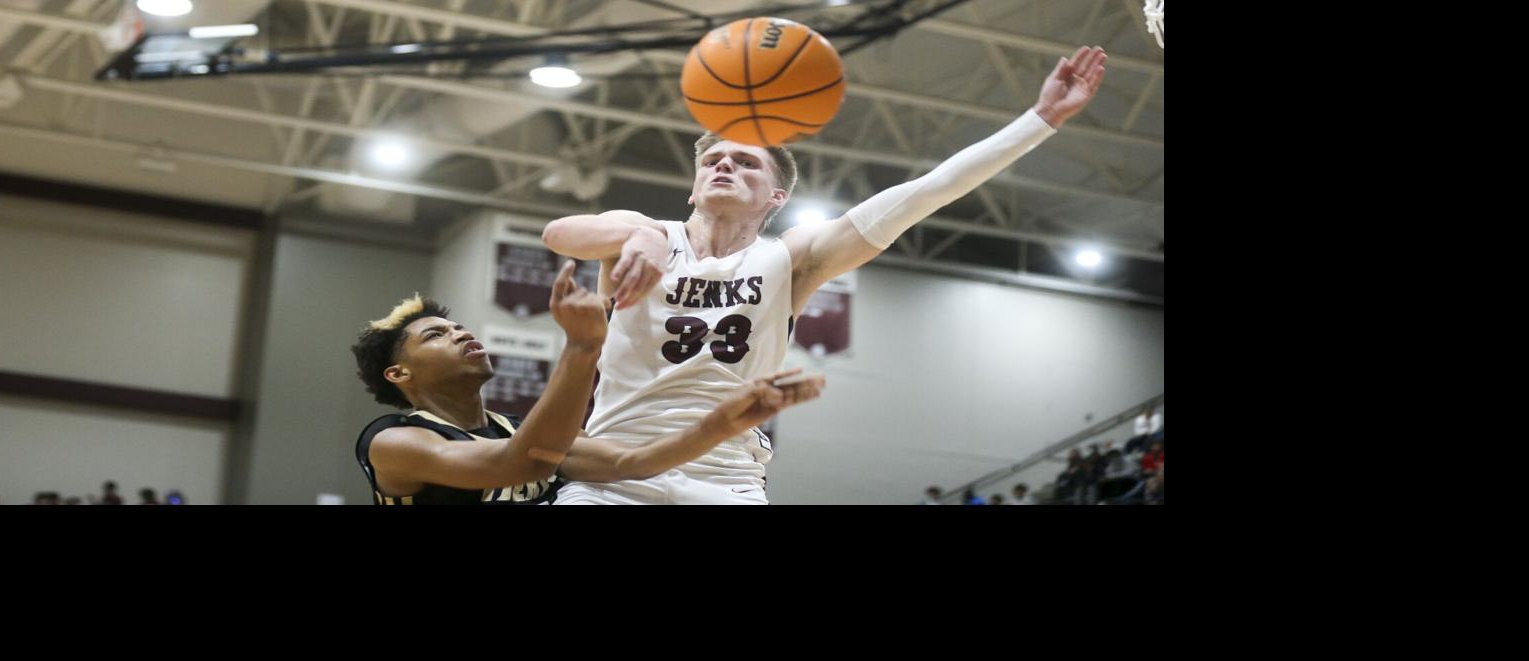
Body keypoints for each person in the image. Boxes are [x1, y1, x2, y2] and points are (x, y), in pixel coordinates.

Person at [542, 47, 1108, 504]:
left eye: (745, 163)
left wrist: (1041, 120)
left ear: (776, 197)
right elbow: (560, 234)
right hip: (611, 472)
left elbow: (924, 193)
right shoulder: (640, 231)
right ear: (693, 186)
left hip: (723, 479)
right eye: (713, 160)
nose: (724, 166)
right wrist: (639, 234)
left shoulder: (790, 257)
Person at [352, 262, 822, 505]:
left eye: (457, 327)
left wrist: (721, 423)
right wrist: (582, 348)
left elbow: (634, 462)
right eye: (436, 335)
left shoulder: (520, 431)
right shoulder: (395, 440)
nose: (459, 333)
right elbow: (515, 465)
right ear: (399, 374)